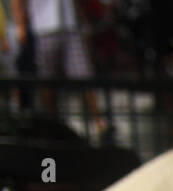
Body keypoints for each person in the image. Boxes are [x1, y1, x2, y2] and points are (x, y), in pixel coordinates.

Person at [10, 0, 105, 137]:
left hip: (69, 25)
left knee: (82, 74)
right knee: (47, 80)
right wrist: (20, 25)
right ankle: (52, 124)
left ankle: (99, 123)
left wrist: (83, 22)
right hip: (44, 26)